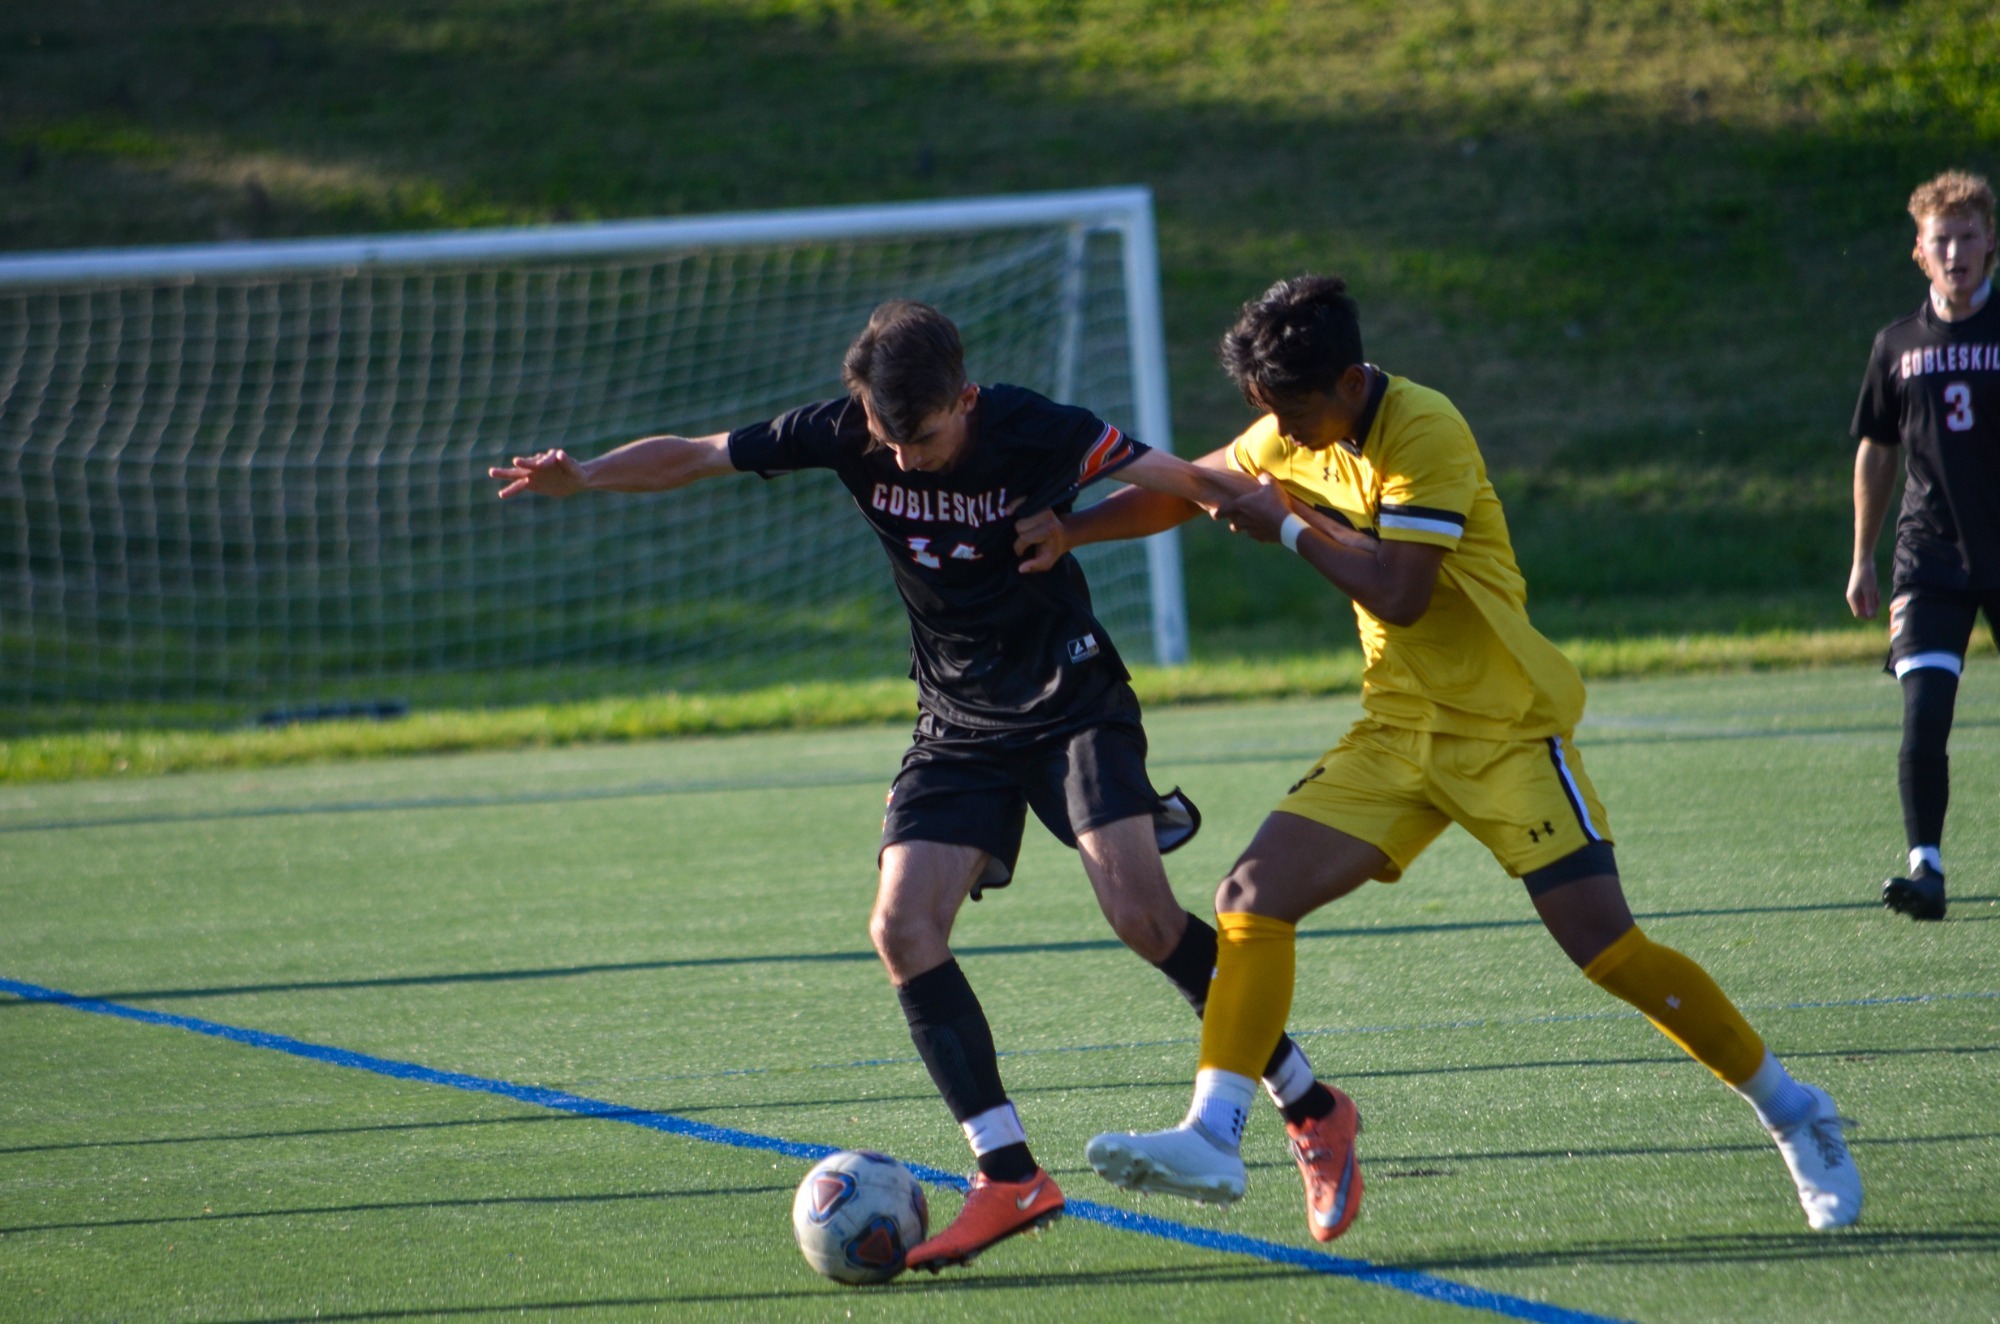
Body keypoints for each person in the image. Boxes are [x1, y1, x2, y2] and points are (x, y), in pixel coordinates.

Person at [489, 300, 1338, 1272]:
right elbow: (696, 451)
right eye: (888, 439)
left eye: (925, 436)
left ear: (964, 399)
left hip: (1069, 693)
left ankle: (1309, 1105)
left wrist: (1286, 511)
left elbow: (1183, 483)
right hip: (956, 719)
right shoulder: (850, 433)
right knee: (899, 927)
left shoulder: (1032, 428)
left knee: (1142, 916)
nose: (903, 458)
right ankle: (1007, 1172)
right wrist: (587, 475)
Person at [1017, 275, 1863, 1238]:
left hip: (1504, 730)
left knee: (1608, 950)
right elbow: (1200, 487)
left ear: (1347, 380)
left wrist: (1288, 525)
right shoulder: (1296, 428)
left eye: (1294, 410)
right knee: (1249, 895)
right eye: (1268, 415)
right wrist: (1072, 528)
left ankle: (1796, 1111)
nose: (1281, 433)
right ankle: (1214, 1133)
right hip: (1397, 730)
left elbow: (1402, 594)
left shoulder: (1426, 430)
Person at [1847, 169, 1999, 923]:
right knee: (1925, 713)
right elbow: (1876, 449)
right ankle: (1926, 869)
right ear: (1920, 252)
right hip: (1929, 559)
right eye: (1942, 239)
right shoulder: (1897, 347)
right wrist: (1862, 556)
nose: (1957, 250)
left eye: (1969, 235)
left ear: (1991, 242)